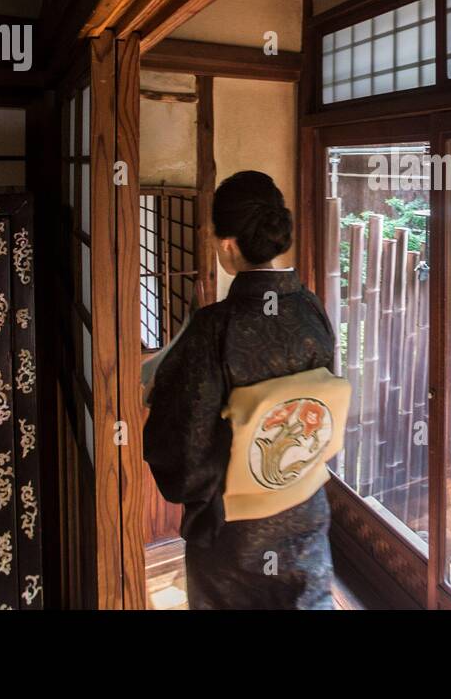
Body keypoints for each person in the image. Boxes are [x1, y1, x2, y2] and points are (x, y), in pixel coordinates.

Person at [143, 170, 336, 609]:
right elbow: (319, 406)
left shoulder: (213, 328)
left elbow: (184, 452)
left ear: (227, 245)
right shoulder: (311, 308)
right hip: (306, 509)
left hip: (237, 532)